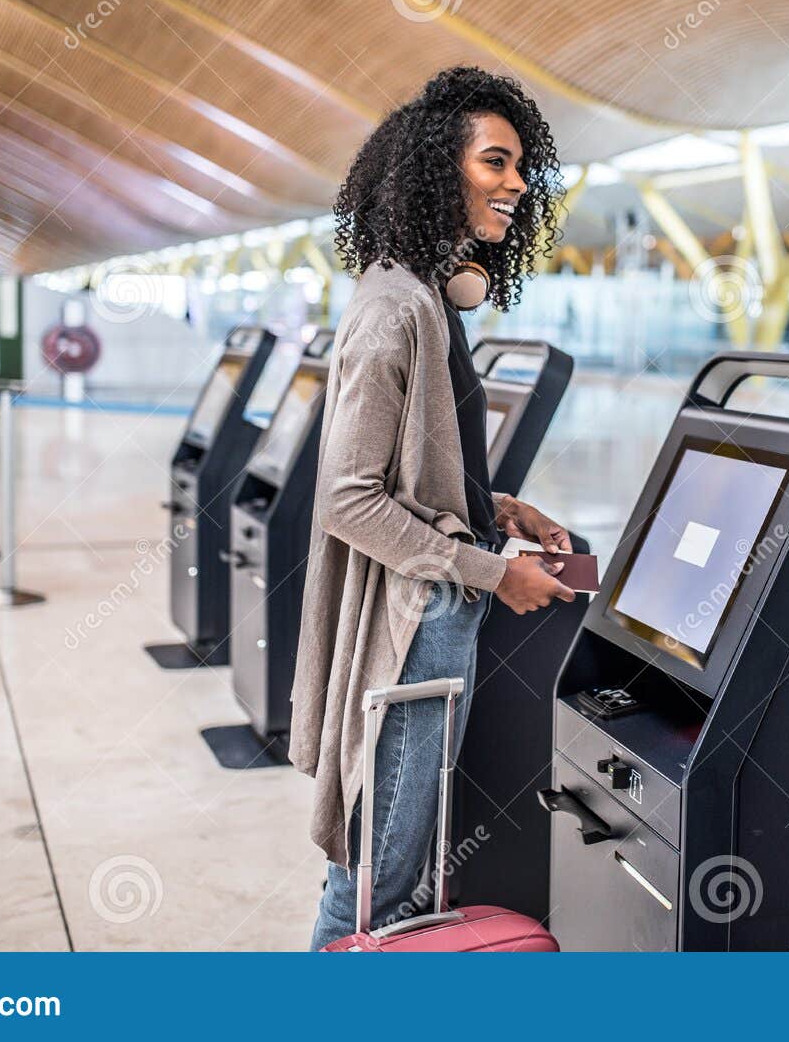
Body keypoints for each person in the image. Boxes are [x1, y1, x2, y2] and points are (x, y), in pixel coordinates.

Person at [289, 67, 578, 948]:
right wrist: (491, 572)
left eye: (521, 165)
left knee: (396, 868)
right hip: (412, 627)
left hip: (432, 620)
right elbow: (348, 498)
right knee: (377, 877)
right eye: (496, 161)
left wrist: (498, 508)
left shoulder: (430, 299)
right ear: (434, 168)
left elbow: (410, 472)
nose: (516, 182)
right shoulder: (394, 312)